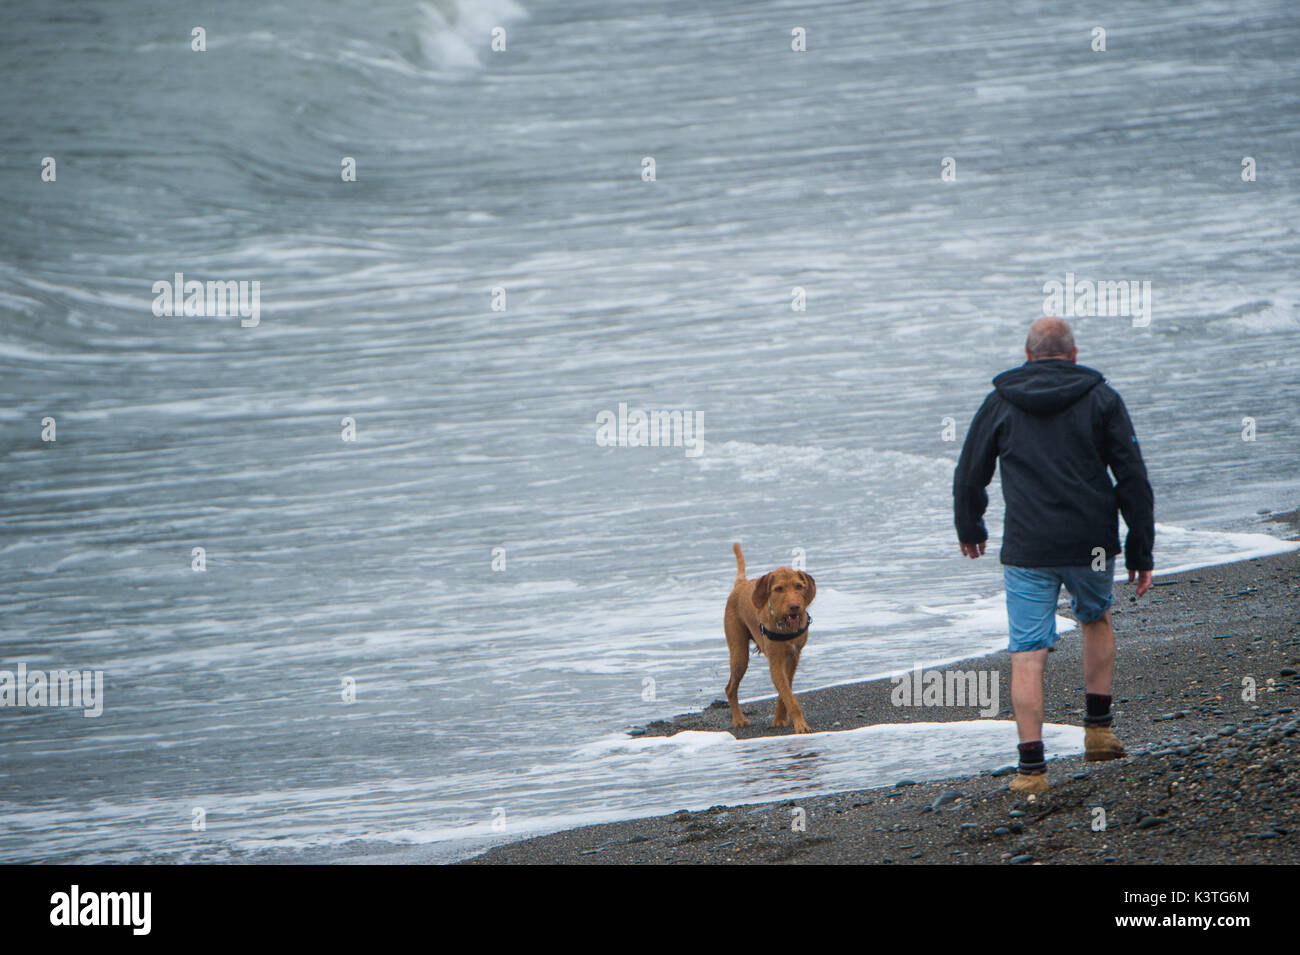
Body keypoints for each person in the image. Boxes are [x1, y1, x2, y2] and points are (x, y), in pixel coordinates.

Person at [953, 316, 1154, 792]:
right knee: (1095, 617)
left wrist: (971, 527)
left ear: (1027, 356)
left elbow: (969, 473)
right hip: (1094, 545)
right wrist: (1140, 551)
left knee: (1027, 652)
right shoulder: (1101, 398)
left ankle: (1031, 771)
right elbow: (1132, 477)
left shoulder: (1001, 401)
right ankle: (1099, 731)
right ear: (1074, 354)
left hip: (1028, 547)